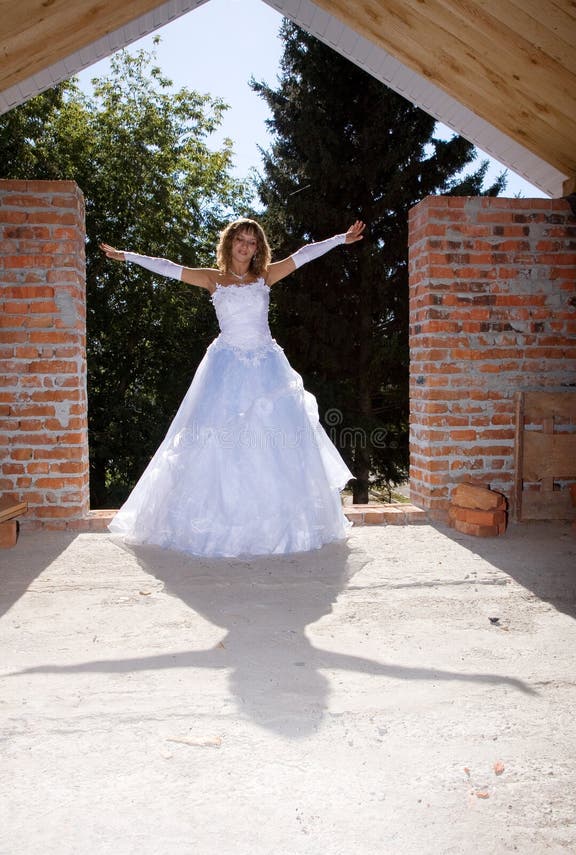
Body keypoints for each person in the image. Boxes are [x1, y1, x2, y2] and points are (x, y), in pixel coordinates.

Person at [100, 218, 365, 558]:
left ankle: (272, 529)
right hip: (224, 369)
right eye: (240, 239)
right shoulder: (213, 279)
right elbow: (169, 267)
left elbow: (303, 255)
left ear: (259, 248)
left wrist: (340, 238)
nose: (245, 246)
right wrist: (129, 256)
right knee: (215, 443)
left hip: (267, 369)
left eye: (252, 241)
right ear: (229, 243)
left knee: (275, 443)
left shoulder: (265, 275)